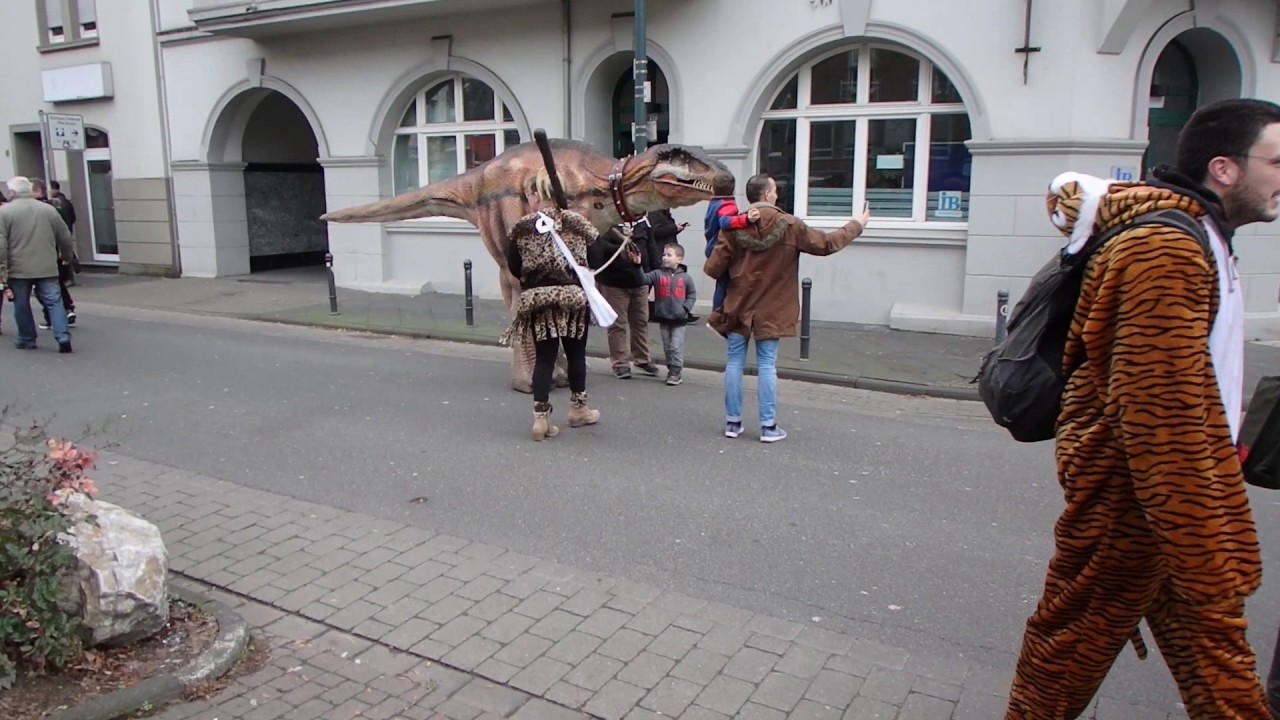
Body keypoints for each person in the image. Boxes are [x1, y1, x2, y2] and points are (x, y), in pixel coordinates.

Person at [1004, 98, 1280, 720]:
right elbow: (1164, 422)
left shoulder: (1202, 237)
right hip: (1139, 505)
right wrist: (1212, 554)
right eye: (1276, 160)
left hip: (1164, 510)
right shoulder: (1165, 250)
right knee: (1067, 657)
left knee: (1209, 663)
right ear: (1225, 168)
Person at [704, 173, 867, 442]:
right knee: (767, 365)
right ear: (767, 195)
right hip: (773, 307)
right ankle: (768, 427)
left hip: (737, 305)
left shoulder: (732, 226)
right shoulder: (790, 224)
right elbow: (825, 244)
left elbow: (713, 268)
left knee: (734, 362)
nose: (777, 194)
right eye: (775, 190)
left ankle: (733, 423)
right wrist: (856, 225)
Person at [500, 207, 601, 441]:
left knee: (544, 358)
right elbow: (596, 258)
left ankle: (541, 419)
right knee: (576, 355)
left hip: (538, 298)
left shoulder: (523, 226)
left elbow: (514, 265)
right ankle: (579, 409)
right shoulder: (577, 222)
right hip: (572, 297)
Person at [0, 176, 75, 353]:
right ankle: (63, 336)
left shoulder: (5, 213)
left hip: (19, 269)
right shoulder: (47, 210)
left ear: (12, 192)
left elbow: (1, 244)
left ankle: (27, 338)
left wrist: (2, 268)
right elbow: (64, 235)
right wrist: (66, 257)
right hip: (47, 266)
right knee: (54, 302)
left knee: (21, 303)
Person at [591, 223, 658, 379]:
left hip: (640, 281)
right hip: (614, 283)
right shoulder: (607, 223)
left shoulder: (643, 224)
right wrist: (621, 248)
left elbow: (652, 248)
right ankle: (620, 362)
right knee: (618, 324)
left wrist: (656, 279)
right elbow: (597, 247)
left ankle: (642, 359)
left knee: (641, 321)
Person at [634, 242, 697, 386]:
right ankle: (671, 369)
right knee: (668, 346)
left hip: (679, 319)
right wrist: (638, 266)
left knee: (676, 346)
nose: (665, 258)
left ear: (679, 259)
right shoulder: (657, 274)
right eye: (664, 255)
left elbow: (692, 295)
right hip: (663, 318)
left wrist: (685, 309)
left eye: (669, 255)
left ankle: (676, 371)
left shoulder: (686, 278)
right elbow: (642, 279)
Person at [31, 179, 76, 328]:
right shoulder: (61, 203)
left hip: (43, 253)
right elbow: (69, 224)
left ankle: (54, 318)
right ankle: (68, 309)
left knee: (45, 289)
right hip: (57, 250)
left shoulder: (40, 208)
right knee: (57, 283)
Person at [703, 177, 752, 313]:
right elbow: (725, 222)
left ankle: (718, 314)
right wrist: (746, 219)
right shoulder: (727, 204)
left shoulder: (714, 202)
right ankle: (719, 315)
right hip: (721, 248)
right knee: (724, 284)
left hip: (712, 246)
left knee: (721, 283)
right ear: (733, 189)